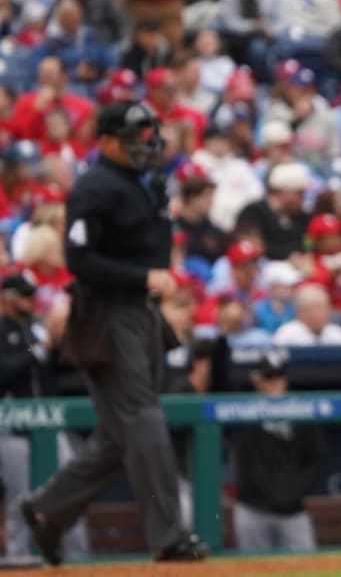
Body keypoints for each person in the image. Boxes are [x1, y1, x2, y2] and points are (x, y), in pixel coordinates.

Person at [22, 102, 208, 564]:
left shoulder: (144, 183)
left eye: (148, 135)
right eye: (133, 137)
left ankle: (47, 509)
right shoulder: (93, 187)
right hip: (108, 315)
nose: (145, 145)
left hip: (142, 315)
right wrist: (142, 277)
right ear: (104, 141)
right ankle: (169, 537)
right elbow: (80, 260)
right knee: (143, 419)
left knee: (118, 435)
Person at [0, 275, 88, 560]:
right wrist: (37, 349)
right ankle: (20, 559)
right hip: (12, 426)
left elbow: (62, 370)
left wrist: (61, 339)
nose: (31, 300)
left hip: (49, 423)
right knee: (21, 498)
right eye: (24, 296)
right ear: (8, 297)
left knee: (71, 491)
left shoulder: (36, 328)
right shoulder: (6, 331)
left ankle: (78, 560)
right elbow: (6, 369)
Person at [228, 352, 323, 553]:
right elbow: (218, 381)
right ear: (256, 380)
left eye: (279, 376)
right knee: (253, 572)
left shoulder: (302, 412)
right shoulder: (241, 410)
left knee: (304, 569)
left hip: (293, 511)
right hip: (253, 509)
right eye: (269, 377)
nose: (275, 383)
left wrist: (292, 492)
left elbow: (316, 459)